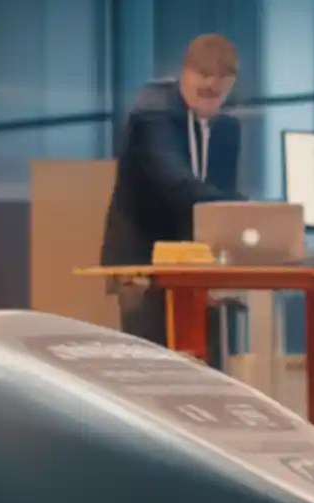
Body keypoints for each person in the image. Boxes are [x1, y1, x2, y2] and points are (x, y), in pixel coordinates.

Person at [102, 33, 244, 346]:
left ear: (230, 85)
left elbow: (221, 194)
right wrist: (244, 211)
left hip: (199, 263)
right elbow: (174, 184)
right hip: (143, 258)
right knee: (151, 357)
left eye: (219, 84)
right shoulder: (152, 114)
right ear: (185, 74)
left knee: (205, 359)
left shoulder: (228, 130)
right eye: (202, 78)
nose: (210, 88)